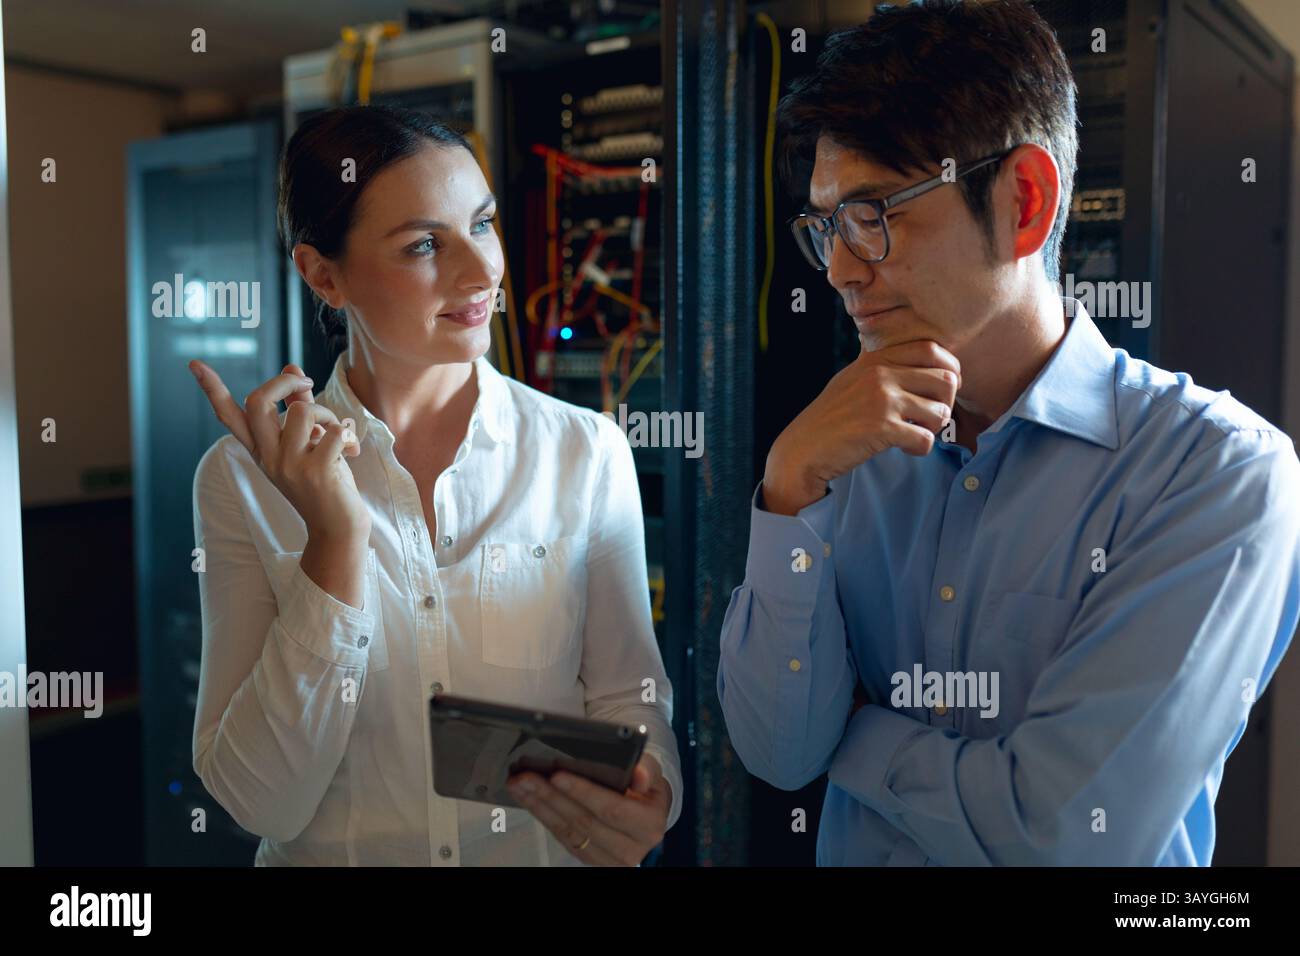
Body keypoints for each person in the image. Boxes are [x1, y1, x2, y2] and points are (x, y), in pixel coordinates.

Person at [717, 0, 1300, 865]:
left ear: (1024, 201)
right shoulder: (839, 453)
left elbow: (1061, 837)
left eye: (875, 213)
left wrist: (855, 734)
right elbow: (775, 752)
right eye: (828, 225)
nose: (840, 268)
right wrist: (786, 488)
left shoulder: (1217, 472)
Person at [188, 104, 681, 866]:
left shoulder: (586, 452)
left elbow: (629, 704)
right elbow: (262, 802)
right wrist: (335, 542)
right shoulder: (242, 481)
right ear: (323, 274)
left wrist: (652, 790)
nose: (483, 271)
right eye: (425, 244)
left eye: (481, 224)